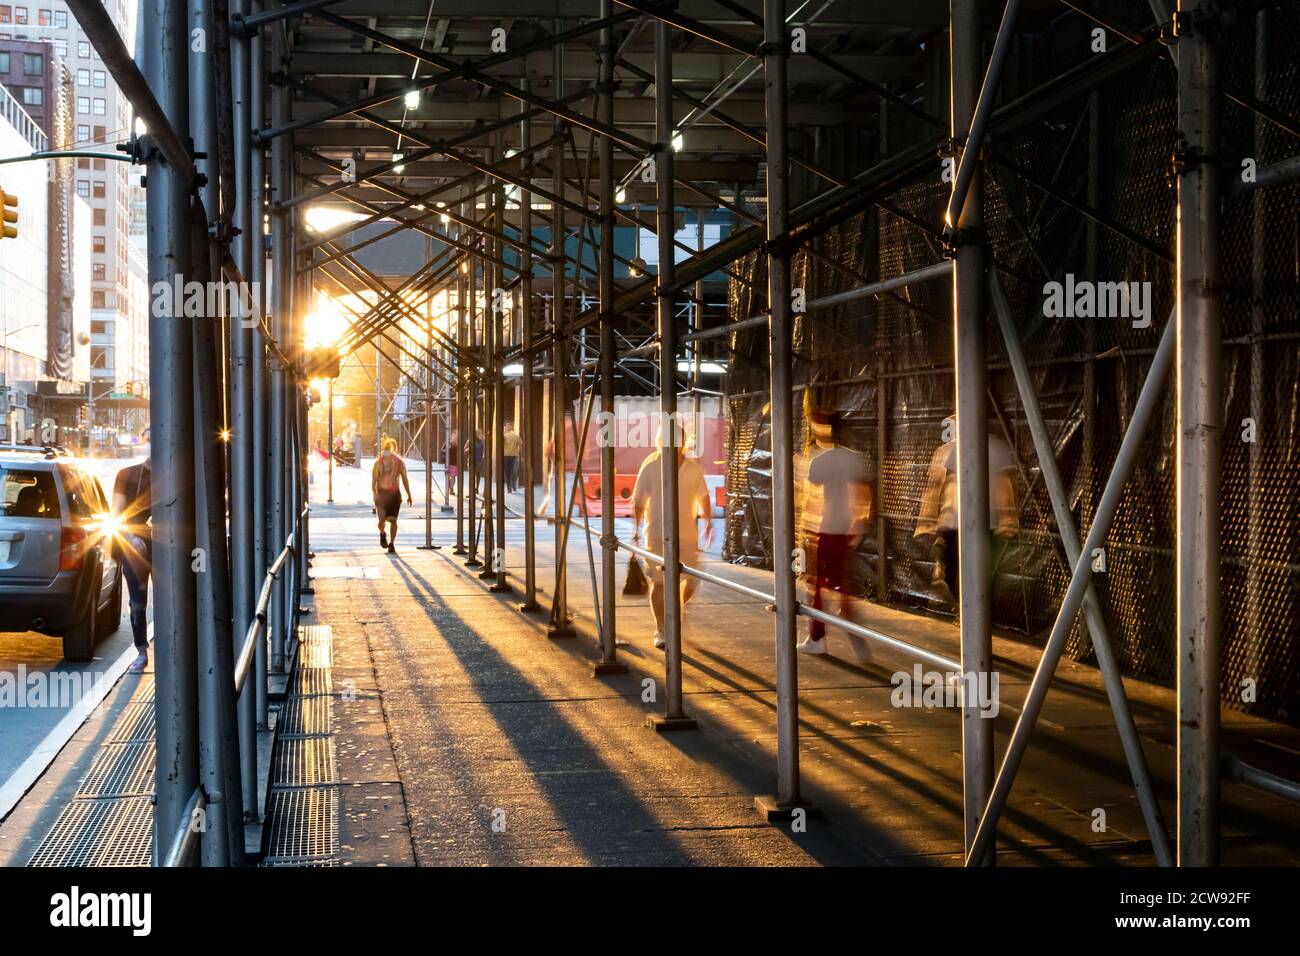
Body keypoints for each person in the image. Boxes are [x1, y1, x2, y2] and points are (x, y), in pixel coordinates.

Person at [913, 417, 1019, 611]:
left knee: (972, 571)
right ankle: (966, 607)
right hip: (963, 522)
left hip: (976, 522)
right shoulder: (951, 451)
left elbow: (1002, 484)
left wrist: (1007, 518)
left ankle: (969, 610)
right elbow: (940, 486)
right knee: (964, 569)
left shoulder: (991, 448)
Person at [796, 412, 873, 662]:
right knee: (840, 585)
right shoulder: (853, 459)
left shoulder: (819, 460)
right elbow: (863, 493)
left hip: (824, 528)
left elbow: (811, 497)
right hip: (845, 530)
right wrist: (859, 522)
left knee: (816, 585)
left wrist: (805, 530)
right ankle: (856, 638)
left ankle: (817, 638)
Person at [631, 418, 713, 650]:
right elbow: (638, 500)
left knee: (693, 580)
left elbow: (703, 495)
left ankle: (676, 608)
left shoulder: (692, 467)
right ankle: (662, 629)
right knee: (660, 583)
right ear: (660, 441)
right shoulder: (651, 464)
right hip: (657, 532)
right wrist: (636, 530)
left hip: (687, 535)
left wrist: (708, 521)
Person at [112, 457, 153, 673]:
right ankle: (141, 651)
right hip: (134, 545)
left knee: (172, 599)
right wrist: (129, 536)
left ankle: (168, 648)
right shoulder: (127, 474)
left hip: (164, 543)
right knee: (138, 602)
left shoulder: (172, 475)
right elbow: (115, 516)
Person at [372, 436, 413, 553]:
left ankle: (391, 543)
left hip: (394, 495)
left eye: (391, 449)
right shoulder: (377, 463)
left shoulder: (400, 463)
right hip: (381, 495)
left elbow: (405, 479)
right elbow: (374, 481)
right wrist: (374, 494)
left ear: (394, 449)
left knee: (393, 521)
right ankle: (382, 533)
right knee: (381, 521)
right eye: (387, 449)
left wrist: (409, 495)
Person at [502, 424, 521, 493]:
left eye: (506, 427)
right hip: (513, 456)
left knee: (507, 472)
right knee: (513, 472)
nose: (505, 428)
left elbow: (520, 444)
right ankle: (512, 486)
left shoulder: (506, 436)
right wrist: (519, 453)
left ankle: (509, 487)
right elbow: (521, 444)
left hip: (507, 456)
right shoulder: (514, 435)